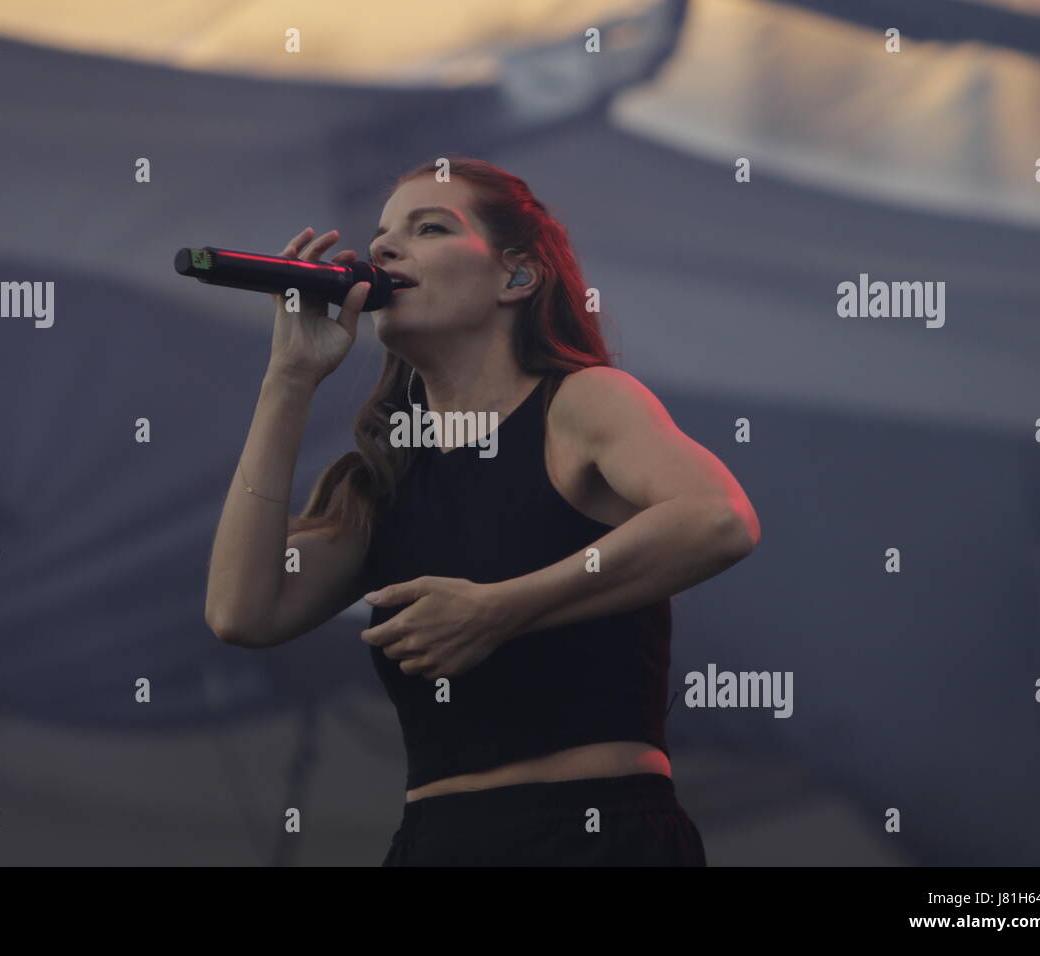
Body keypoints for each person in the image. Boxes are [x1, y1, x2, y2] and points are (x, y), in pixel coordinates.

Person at [205, 156, 760, 866]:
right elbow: (241, 613)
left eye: (429, 227)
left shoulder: (583, 402)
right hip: (438, 843)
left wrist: (501, 609)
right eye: (381, 235)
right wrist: (288, 380)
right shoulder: (384, 479)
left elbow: (718, 519)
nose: (381, 249)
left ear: (516, 276)